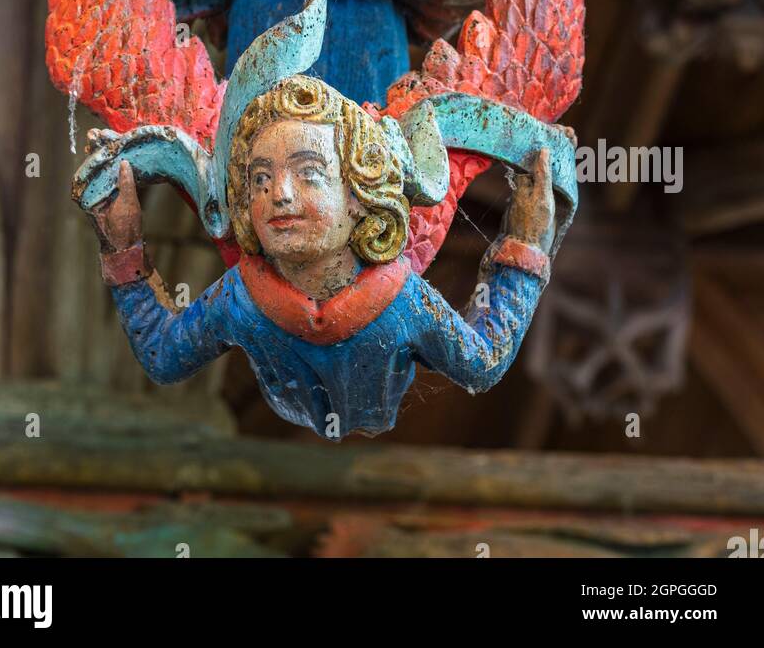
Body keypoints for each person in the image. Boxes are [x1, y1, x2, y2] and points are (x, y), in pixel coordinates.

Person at [87, 75, 558, 438]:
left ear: (359, 196)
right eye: (260, 180)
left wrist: (527, 240)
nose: (280, 196)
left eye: (309, 174)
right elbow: (166, 357)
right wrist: (122, 246)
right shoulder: (243, 296)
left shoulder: (400, 301)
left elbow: (480, 362)